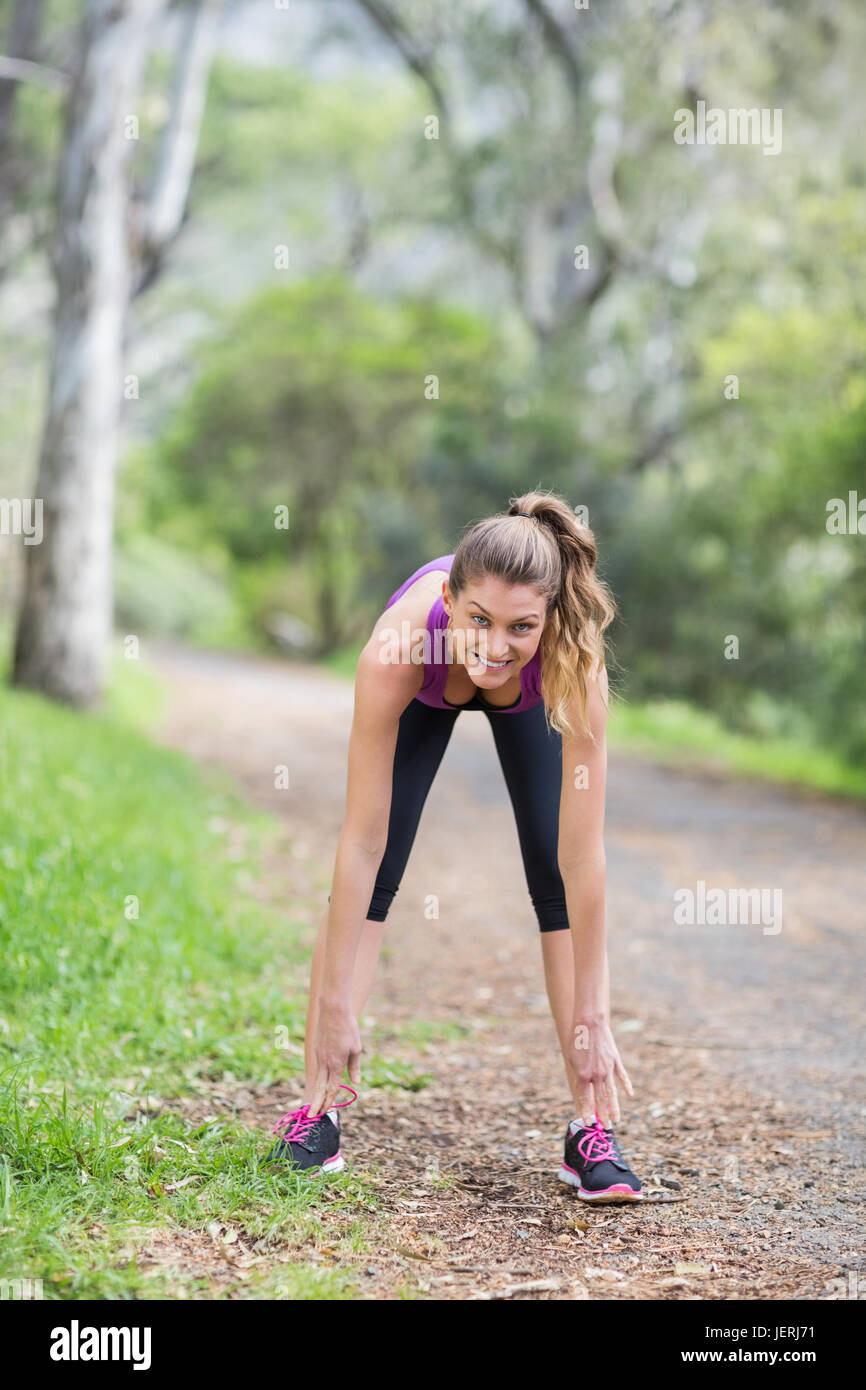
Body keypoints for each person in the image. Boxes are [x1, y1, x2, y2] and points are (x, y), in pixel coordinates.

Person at [266, 489, 644, 1202]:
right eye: (479, 620)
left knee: (553, 883)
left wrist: (595, 1009)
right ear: (448, 597)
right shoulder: (397, 648)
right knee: (376, 877)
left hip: (538, 701)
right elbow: (361, 842)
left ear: (551, 619)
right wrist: (334, 1007)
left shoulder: (572, 663)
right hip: (424, 688)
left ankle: (591, 1128)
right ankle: (317, 1108)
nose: (495, 648)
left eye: (520, 627)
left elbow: (582, 856)